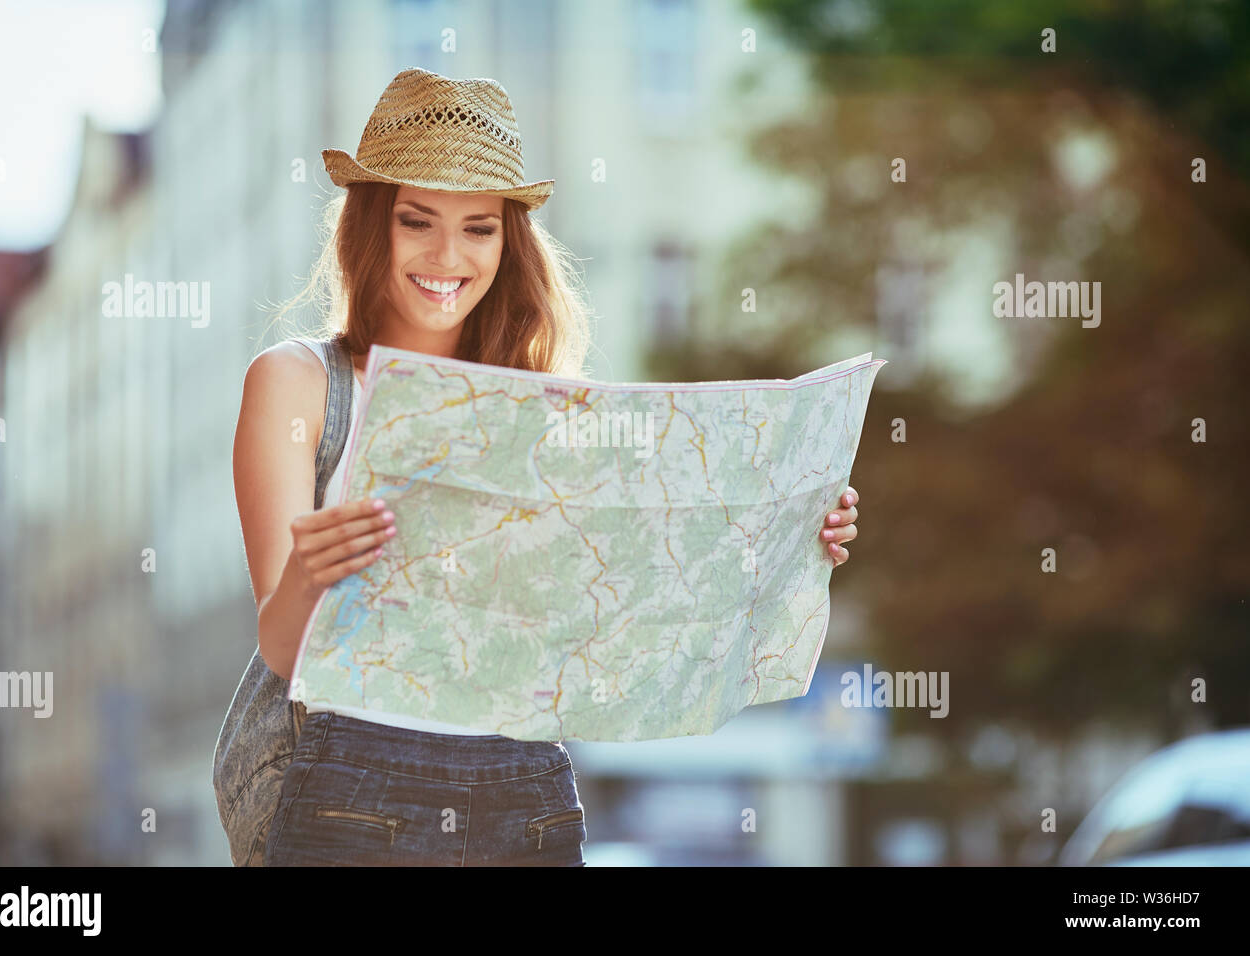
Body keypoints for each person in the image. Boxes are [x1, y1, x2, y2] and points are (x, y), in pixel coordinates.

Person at [232, 68, 862, 866]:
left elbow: (638, 605)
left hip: (530, 789)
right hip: (359, 784)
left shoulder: (559, 405)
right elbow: (284, 651)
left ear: (510, 239)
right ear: (368, 225)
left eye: (480, 228)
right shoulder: (297, 382)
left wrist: (790, 534)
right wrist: (309, 577)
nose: (447, 256)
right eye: (416, 221)